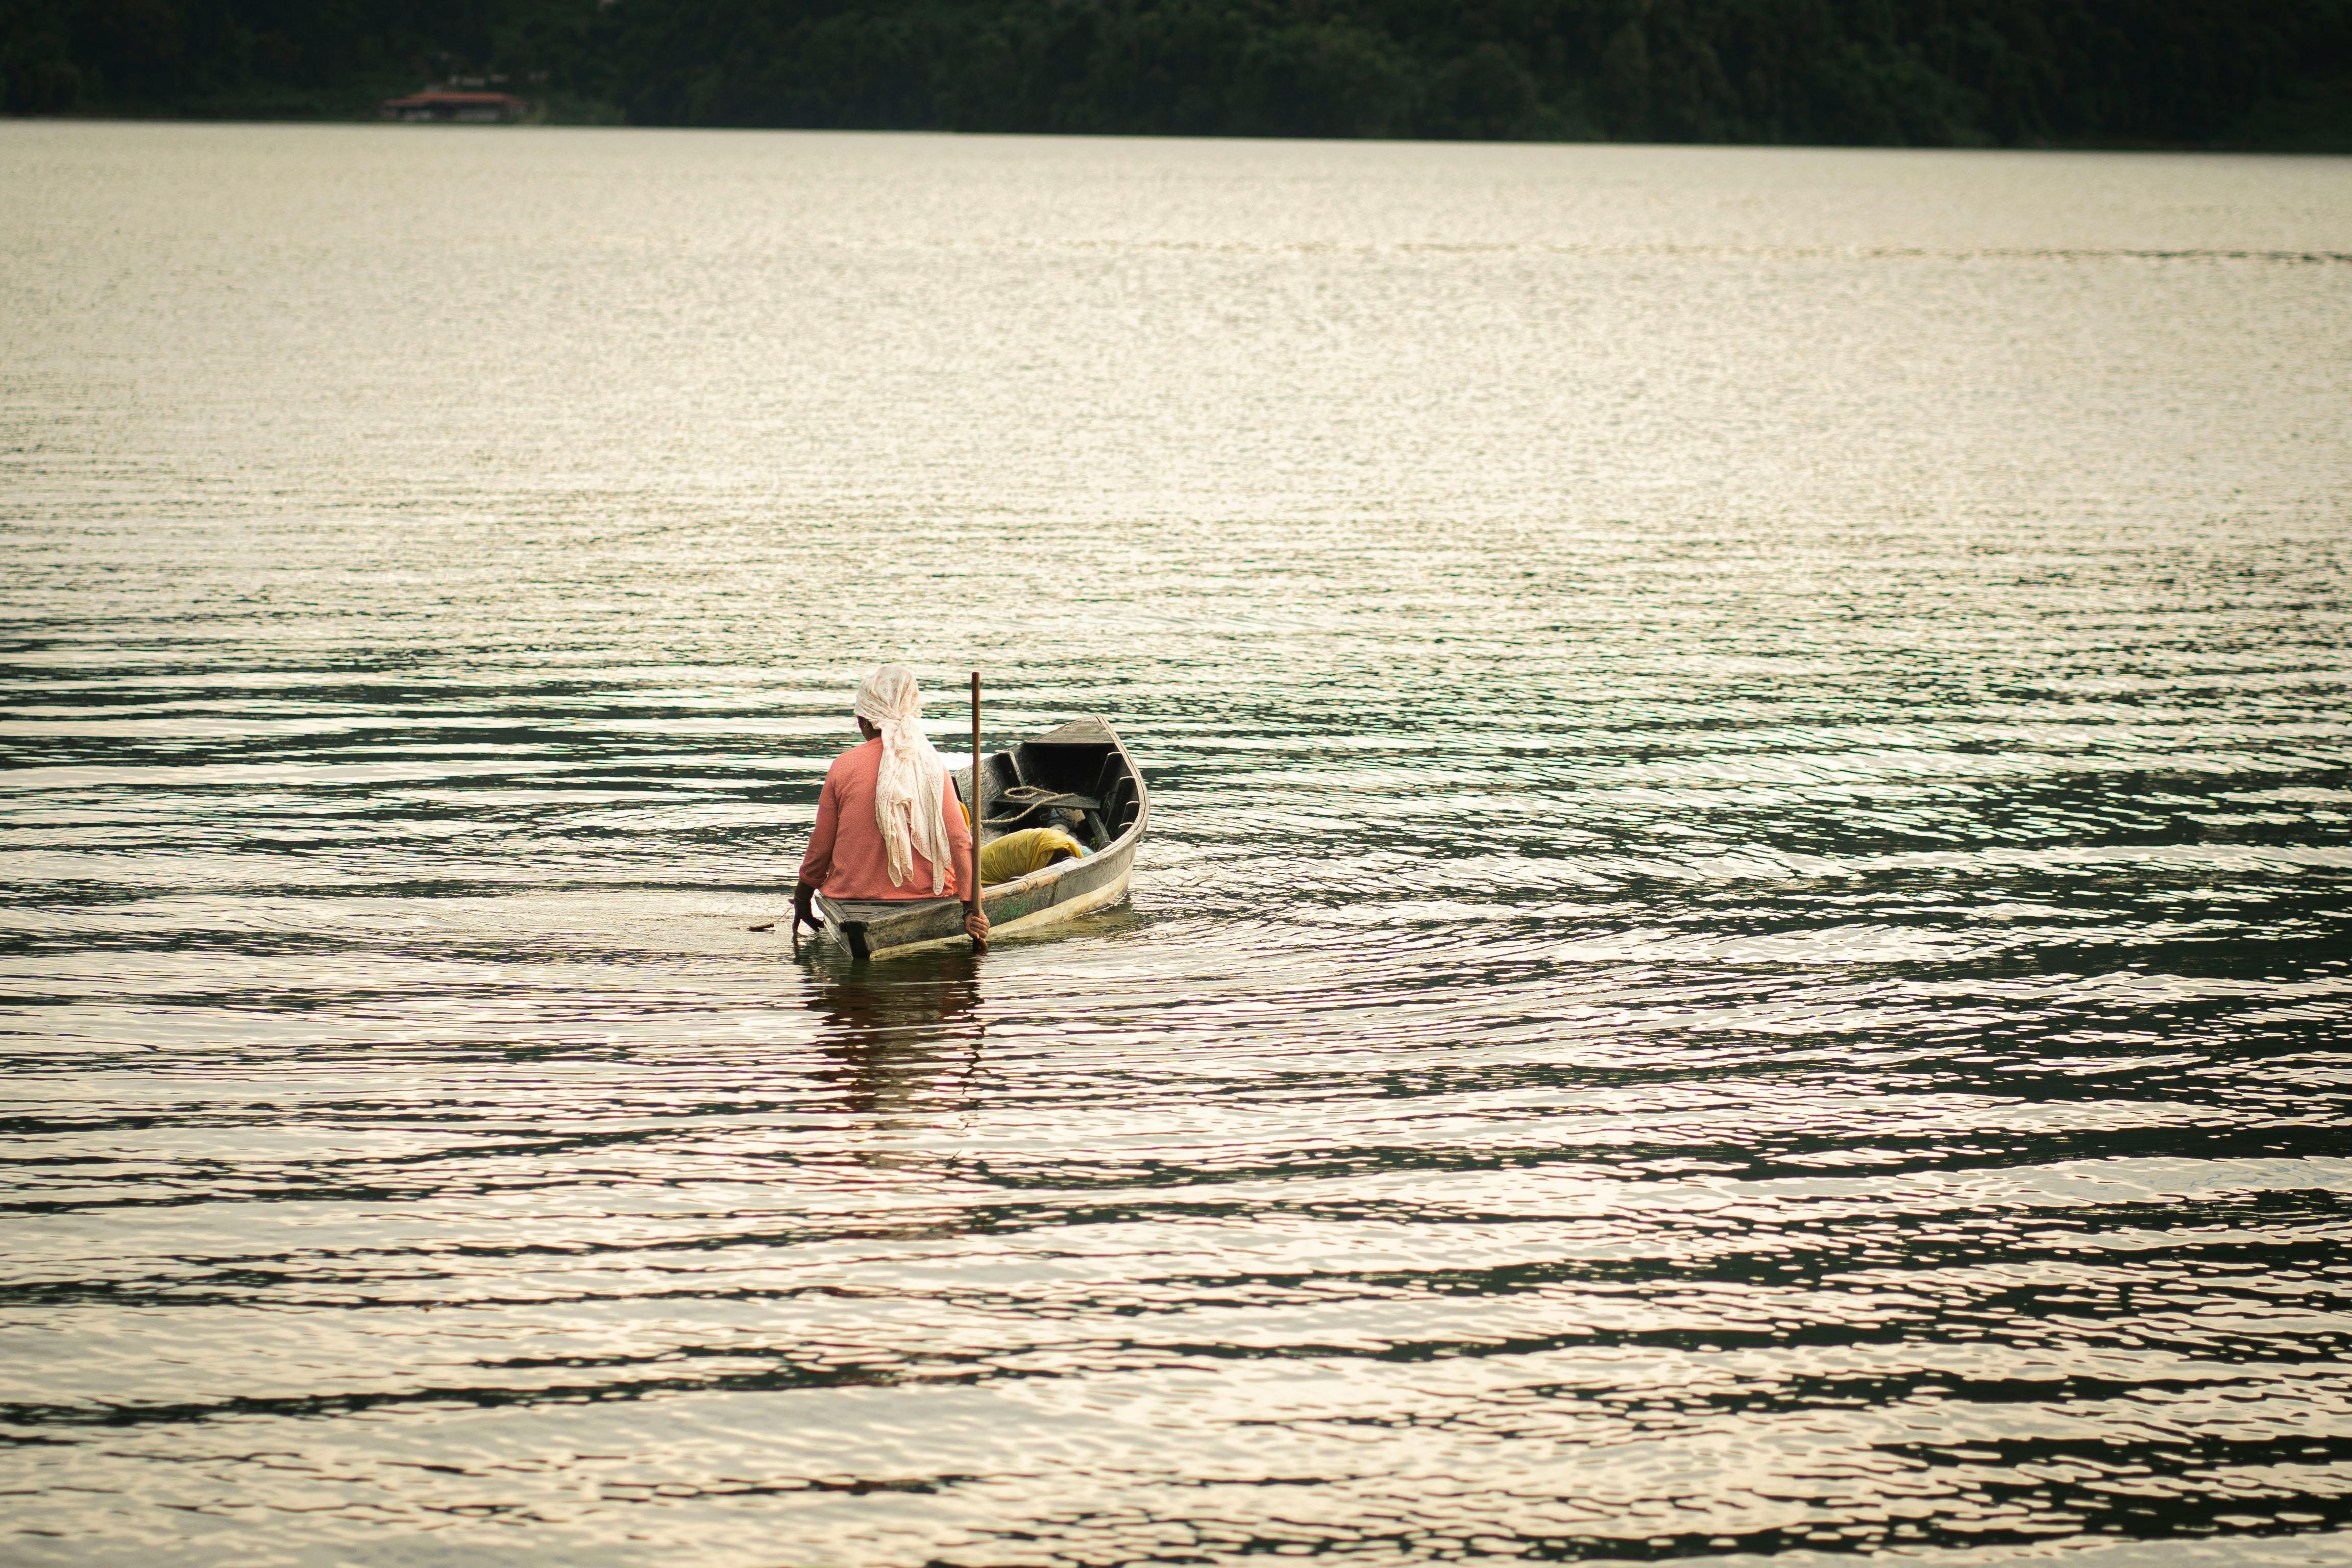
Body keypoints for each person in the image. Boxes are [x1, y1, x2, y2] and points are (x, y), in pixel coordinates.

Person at [793, 666, 990, 946]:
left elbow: (820, 848)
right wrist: (970, 908)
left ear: (864, 721)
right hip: (925, 895)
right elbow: (959, 840)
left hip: (849, 896)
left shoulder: (843, 766)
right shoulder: (932, 766)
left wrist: (803, 897)